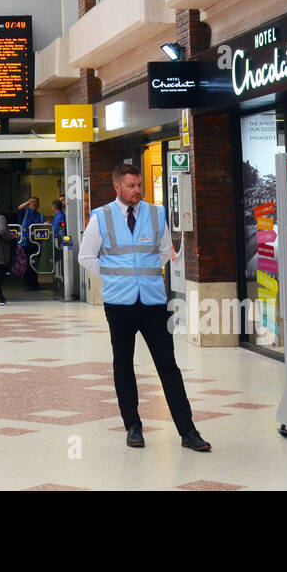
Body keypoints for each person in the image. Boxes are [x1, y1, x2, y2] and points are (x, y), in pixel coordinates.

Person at [79, 163, 210, 452]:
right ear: (117, 187)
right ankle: (133, 426)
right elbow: (86, 257)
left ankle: (188, 432)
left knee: (168, 367)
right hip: (119, 304)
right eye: (131, 186)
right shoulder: (101, 217)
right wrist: (114, 275)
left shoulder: (155, 213)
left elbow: (166, 251)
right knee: (123, 365)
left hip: (152, 303)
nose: (137, 190)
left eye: (139, 185)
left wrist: (145, 273)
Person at [16, 196, 45, 291]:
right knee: (27, 264)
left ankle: (35, 284)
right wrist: (28, 202)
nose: (34, 204)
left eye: (36, 203)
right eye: (32, 203)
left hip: (36, 243)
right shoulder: (25, 213)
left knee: (35, 263)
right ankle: (28, 284)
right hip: (25, 242)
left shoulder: (40, 216)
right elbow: (19, 208)